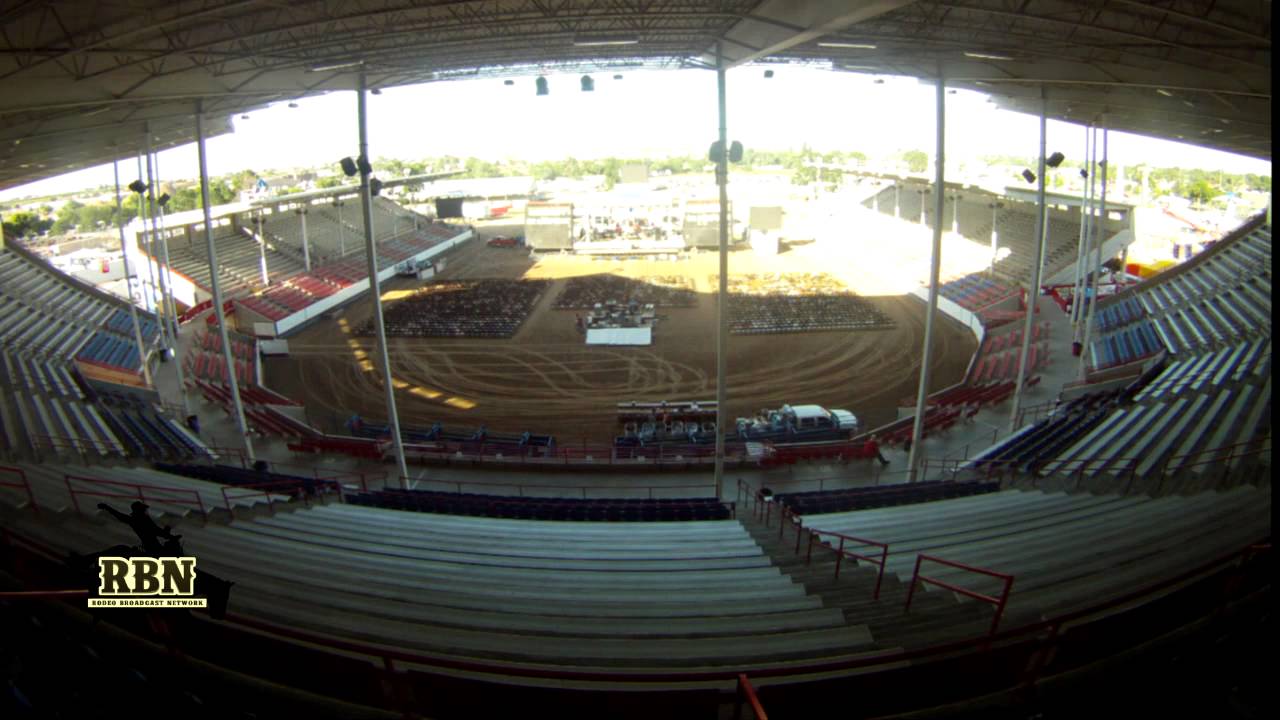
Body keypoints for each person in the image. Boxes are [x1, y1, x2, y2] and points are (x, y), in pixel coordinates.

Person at [97, 501, 180, 556]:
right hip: (153, 548)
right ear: (140, 511)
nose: (146, 512)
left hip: (150, 546)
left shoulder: (138, 520)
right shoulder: (143, 521)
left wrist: (107, 507)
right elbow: (159, 532)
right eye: (144, 510)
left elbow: (120, 515)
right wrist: (170, 532)